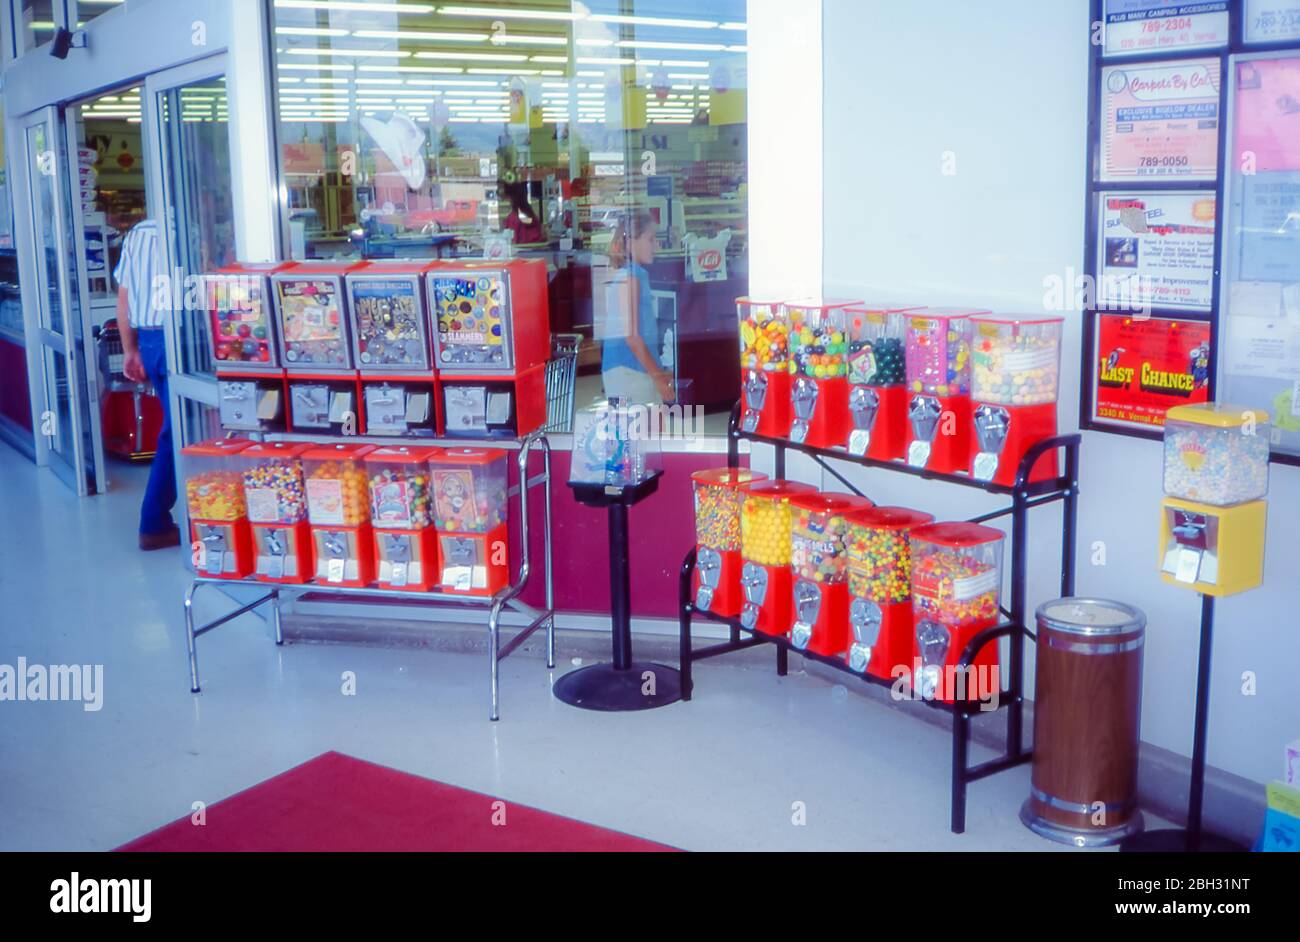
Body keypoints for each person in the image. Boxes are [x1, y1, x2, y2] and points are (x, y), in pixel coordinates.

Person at [117, 219, 179, 551]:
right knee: (177, 431)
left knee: (175, 429)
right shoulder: (192, 222)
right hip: (184, 339)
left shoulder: (139, 233)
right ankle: (153, 522)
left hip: (152, 341)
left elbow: (124, 297)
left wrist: (130, 350)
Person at [600, 211, 673, 405]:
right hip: (629, 372)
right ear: (632, 243)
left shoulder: (633, 275)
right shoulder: (631, 277)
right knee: (643, 432)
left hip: (632, 370)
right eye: (651, 239)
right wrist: (657, 376)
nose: (656, 245)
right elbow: (631, 336)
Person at [501, 181, 546, 246]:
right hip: (536, 251)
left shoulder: (514, 218)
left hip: (521, 252)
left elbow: (513, 242)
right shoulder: (530, 215)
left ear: (510, 197)